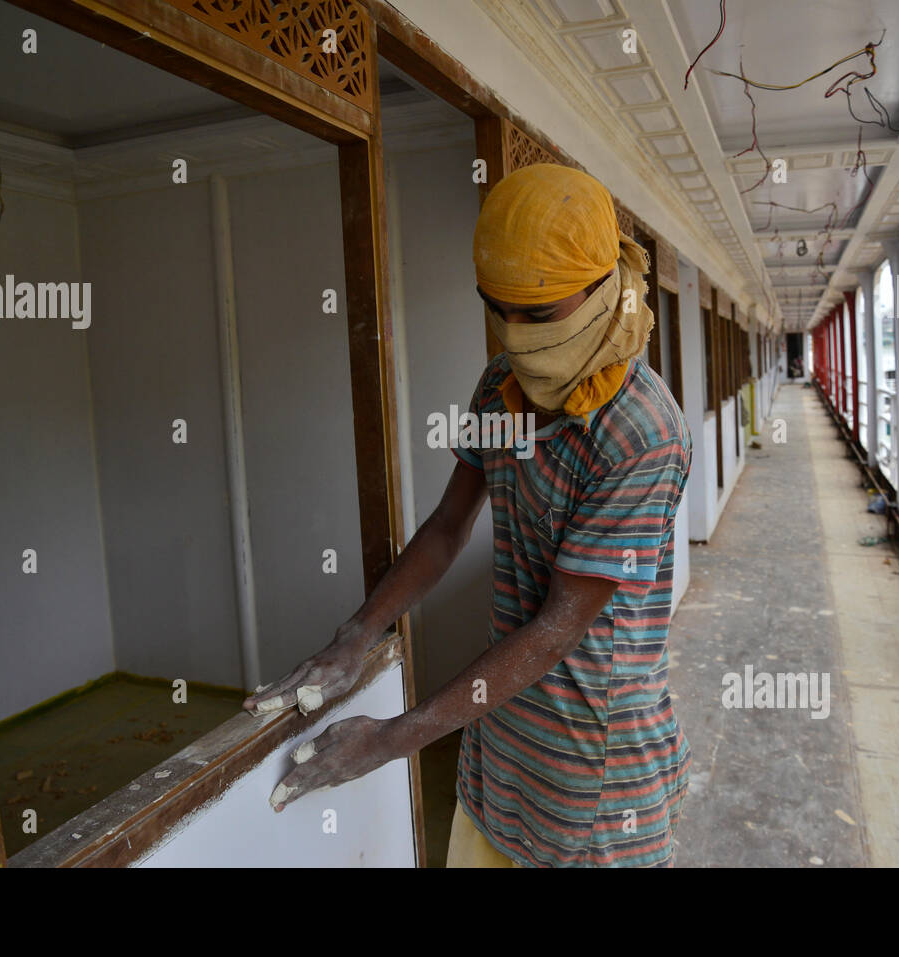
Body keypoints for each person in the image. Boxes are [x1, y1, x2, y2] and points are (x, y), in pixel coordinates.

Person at [244, 163, 692, 867]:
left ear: (604, 289)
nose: (515, 336)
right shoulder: (499, 387)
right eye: (499, 308)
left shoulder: (642, 432)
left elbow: (557, 628)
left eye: (539, 313)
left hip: (595, 777)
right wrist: (358, 632)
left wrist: (391, 739)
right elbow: (450, 525)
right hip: (500, 745)